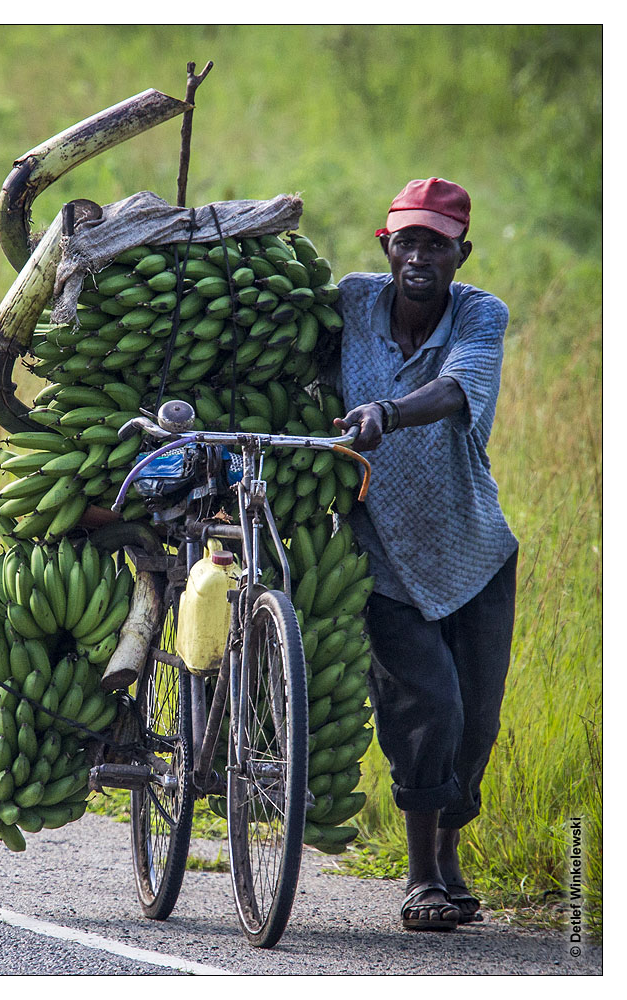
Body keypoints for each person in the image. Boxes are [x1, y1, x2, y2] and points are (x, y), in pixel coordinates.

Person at [330, 178, 519, 932]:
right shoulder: (351, 302)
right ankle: (421, 877)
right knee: (426, 707)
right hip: (383, 552)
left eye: (435, 243)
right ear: (386, 246)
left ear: (459, 253)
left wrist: (386, 410)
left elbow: (455, 389)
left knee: (477, 722)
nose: (419, 255)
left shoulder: (480, 313)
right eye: (406, 240)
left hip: (473, 547)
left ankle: (449, 854)